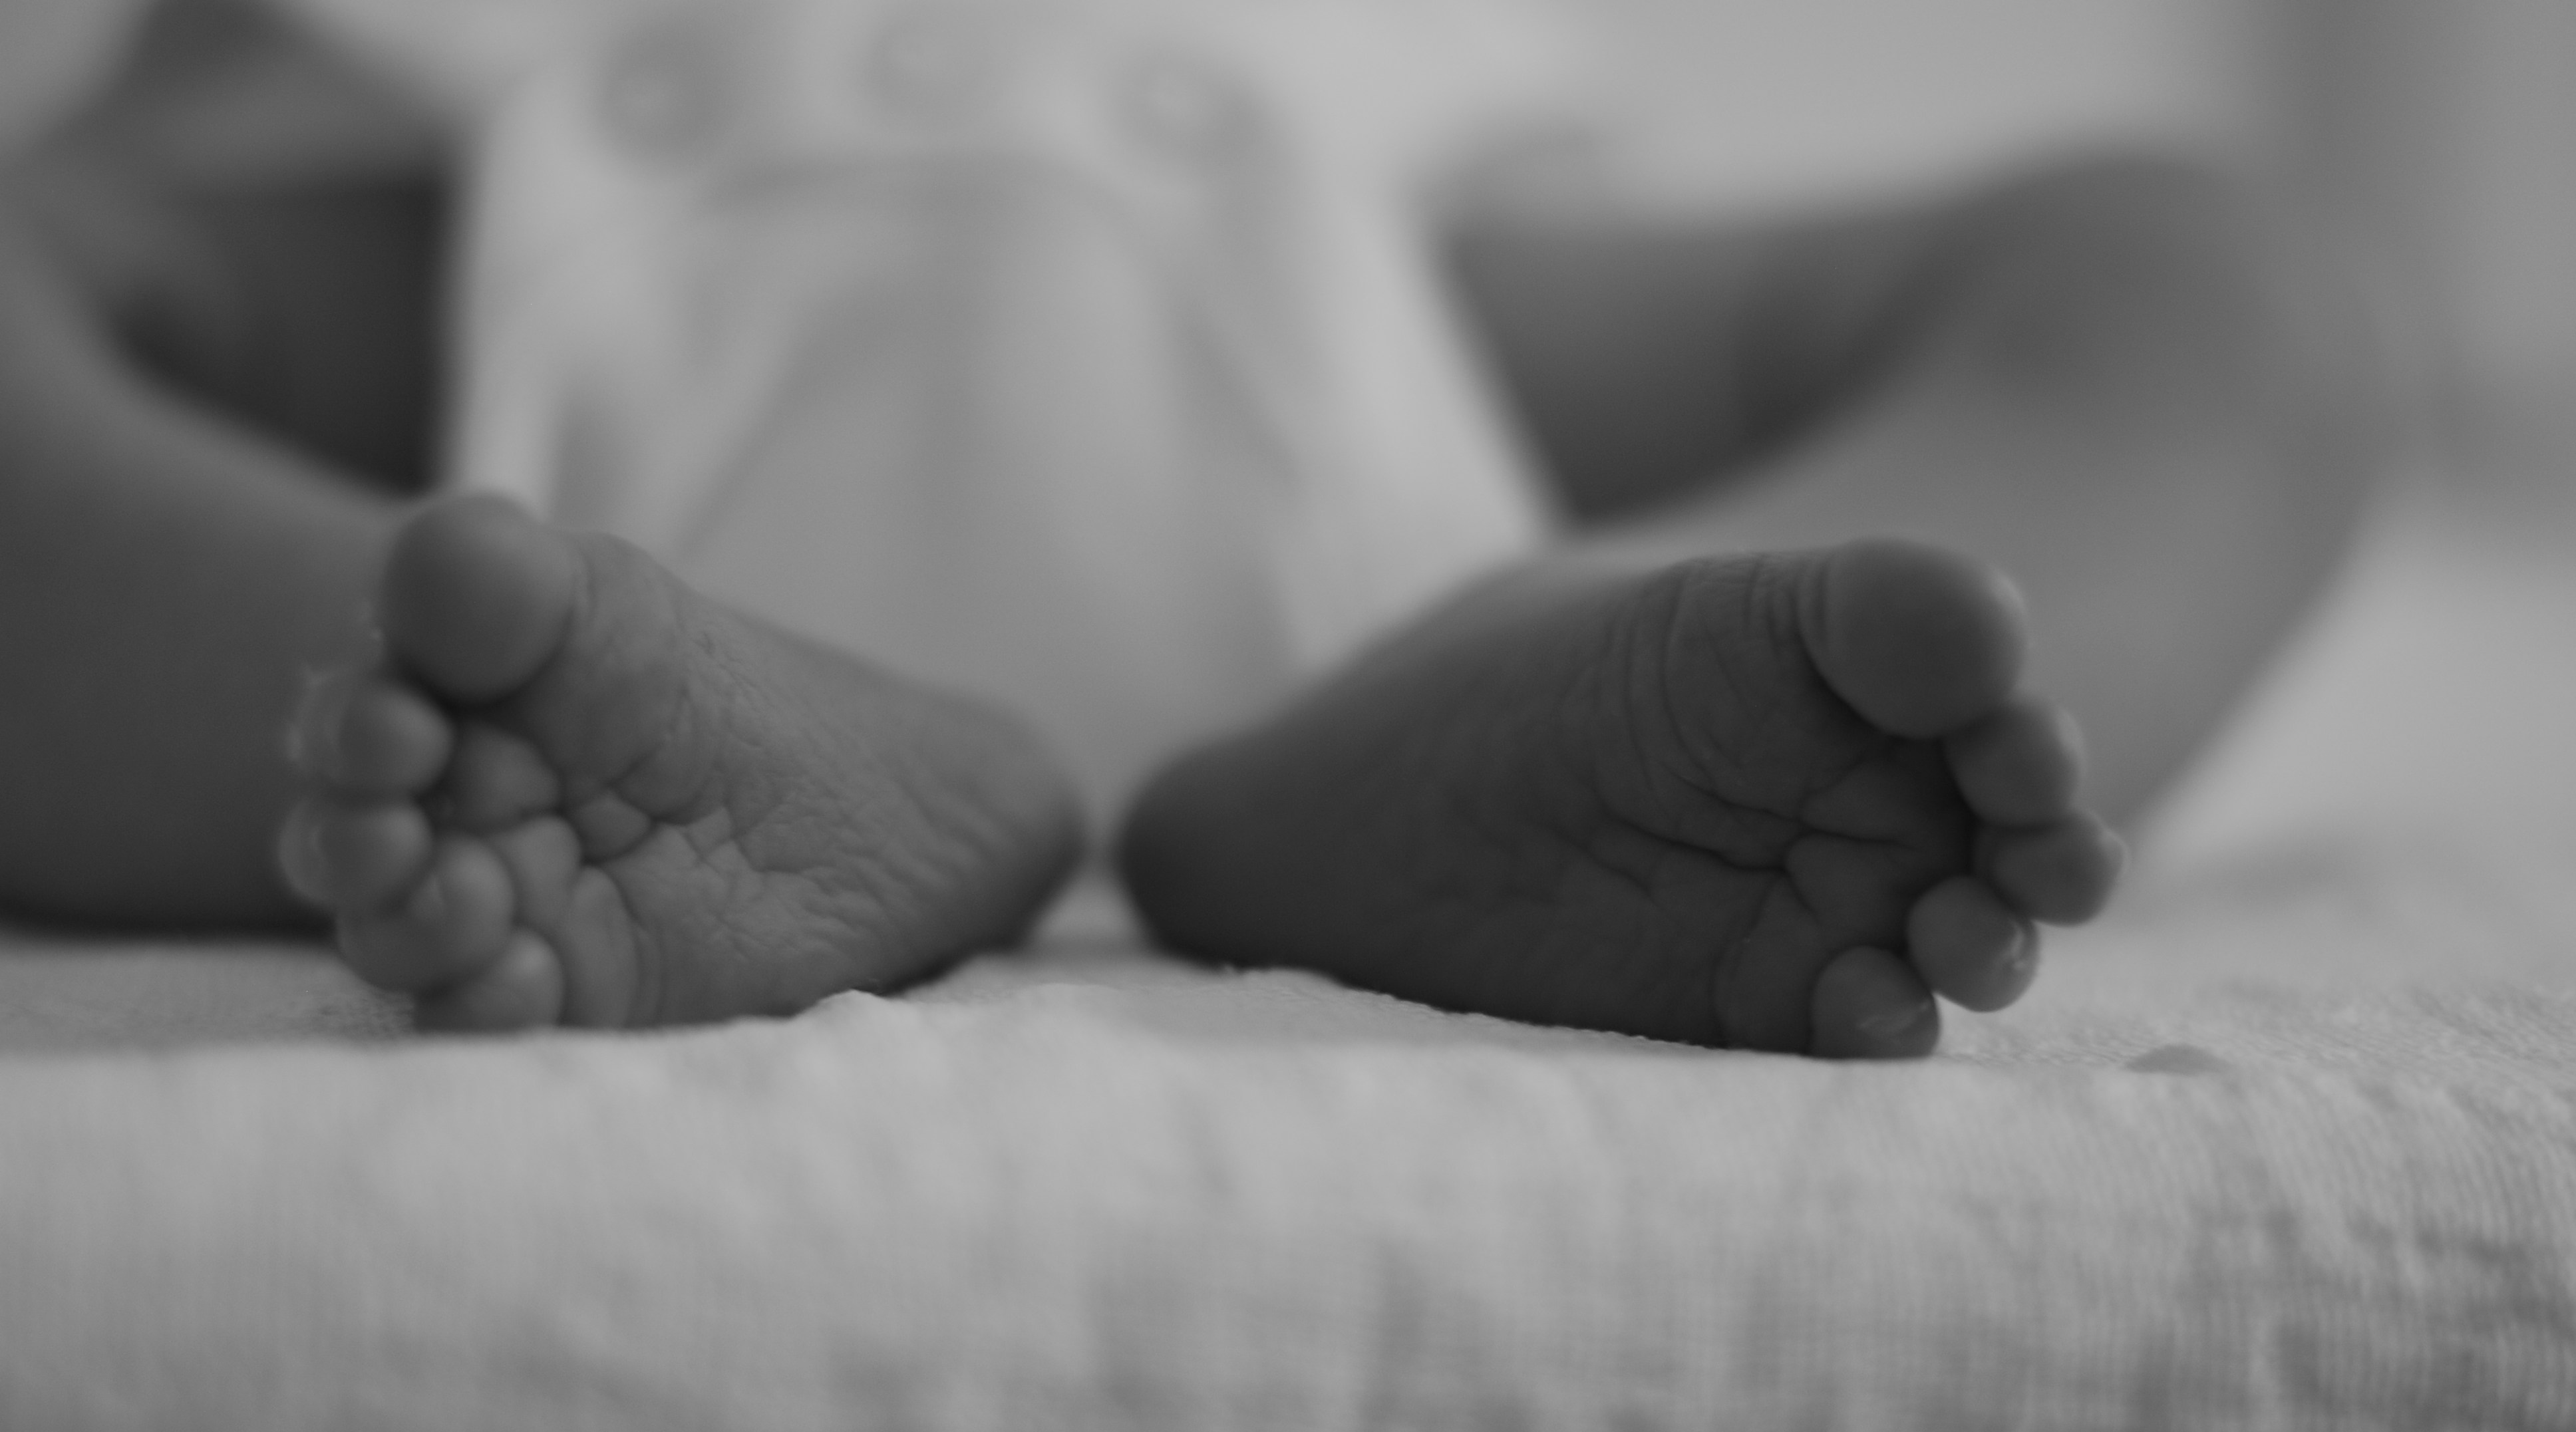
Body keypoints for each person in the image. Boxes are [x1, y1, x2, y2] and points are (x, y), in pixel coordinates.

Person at [0, 0, 2377, 1055]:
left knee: (2208, 280)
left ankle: (1578, 672)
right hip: (444, 276)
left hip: (1332, 265)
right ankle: (528, 724)